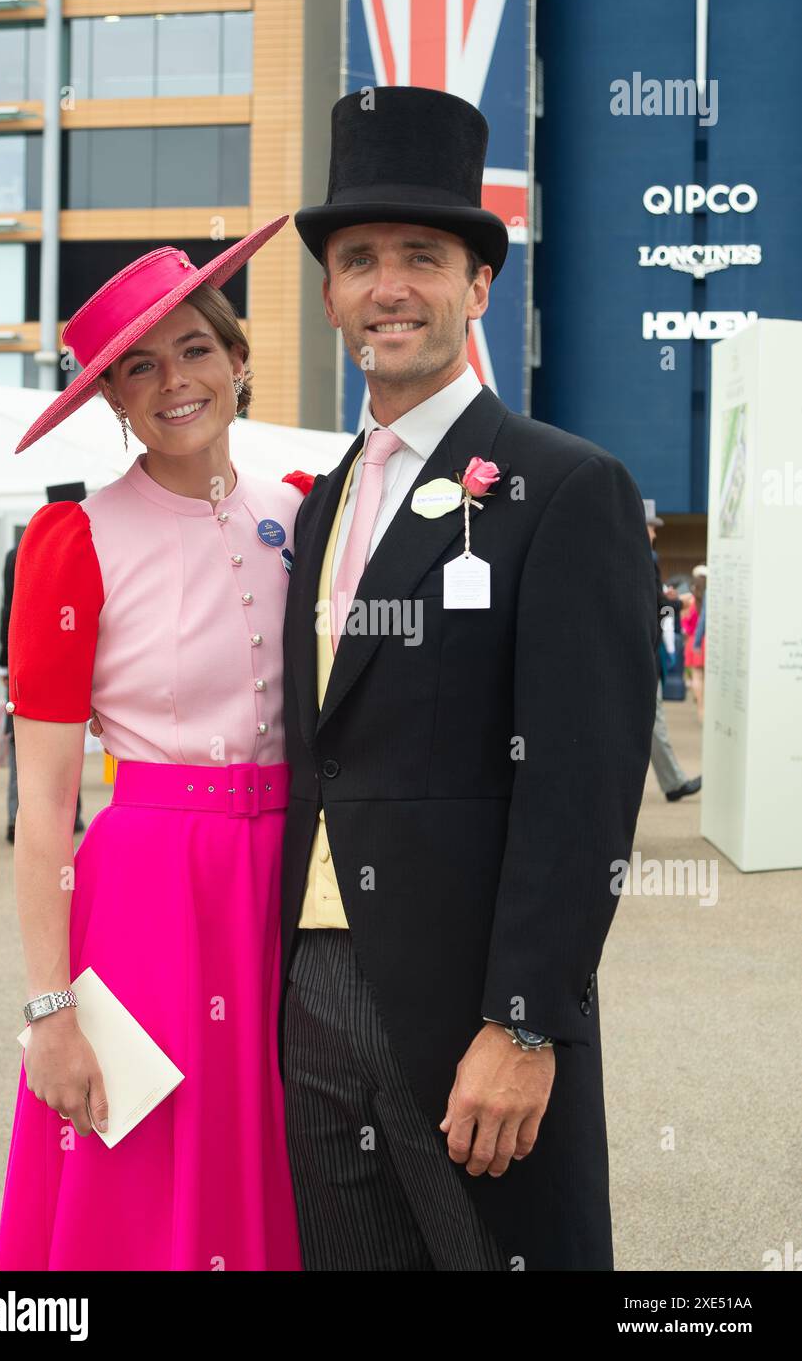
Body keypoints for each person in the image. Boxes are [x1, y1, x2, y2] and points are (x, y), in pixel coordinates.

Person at [277, 86, 657, 1271]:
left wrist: (524, 1023)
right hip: (311, 988)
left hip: (468, 1004)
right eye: (360, 261)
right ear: (332, 293)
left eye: (421, 258)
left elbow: (584, 785)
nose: (388, 286)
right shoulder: (327, 501)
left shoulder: (564, 486)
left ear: (477, 285)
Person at [0, 219, 303, 1271]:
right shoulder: (73, 543)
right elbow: (44, 811)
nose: (175, 380)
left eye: (196, 348)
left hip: (292, 887)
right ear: (113, 400)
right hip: (148, 898)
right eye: (139, 367)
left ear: (241, 358)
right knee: (138, 1159)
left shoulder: (306, 515)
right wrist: (51, 1013)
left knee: (292, 1147)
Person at [0, 484, 87, 845]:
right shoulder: (75, 544)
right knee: (55, 744)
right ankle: (64, 815)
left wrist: (6, 662)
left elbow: (10, 611)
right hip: (56, 654)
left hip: (32, 654)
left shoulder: (17, 550)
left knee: (29, 745)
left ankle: (17, 817)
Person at [644, 503, 702, 801]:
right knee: (654, 720)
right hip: (646, 651)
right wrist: (679, 605)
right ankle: (674, 783)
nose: (655, 532)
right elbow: (655, 605)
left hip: (638, 649)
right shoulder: (648, 556)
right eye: (652, 527)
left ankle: (673, 782)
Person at [681, 564, 707, 722]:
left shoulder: (690, 601)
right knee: (707, 677)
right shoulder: (711, 598)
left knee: (697, 676)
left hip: (694, 641)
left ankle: (701, 708)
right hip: (709, 639)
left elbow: (684, 623)